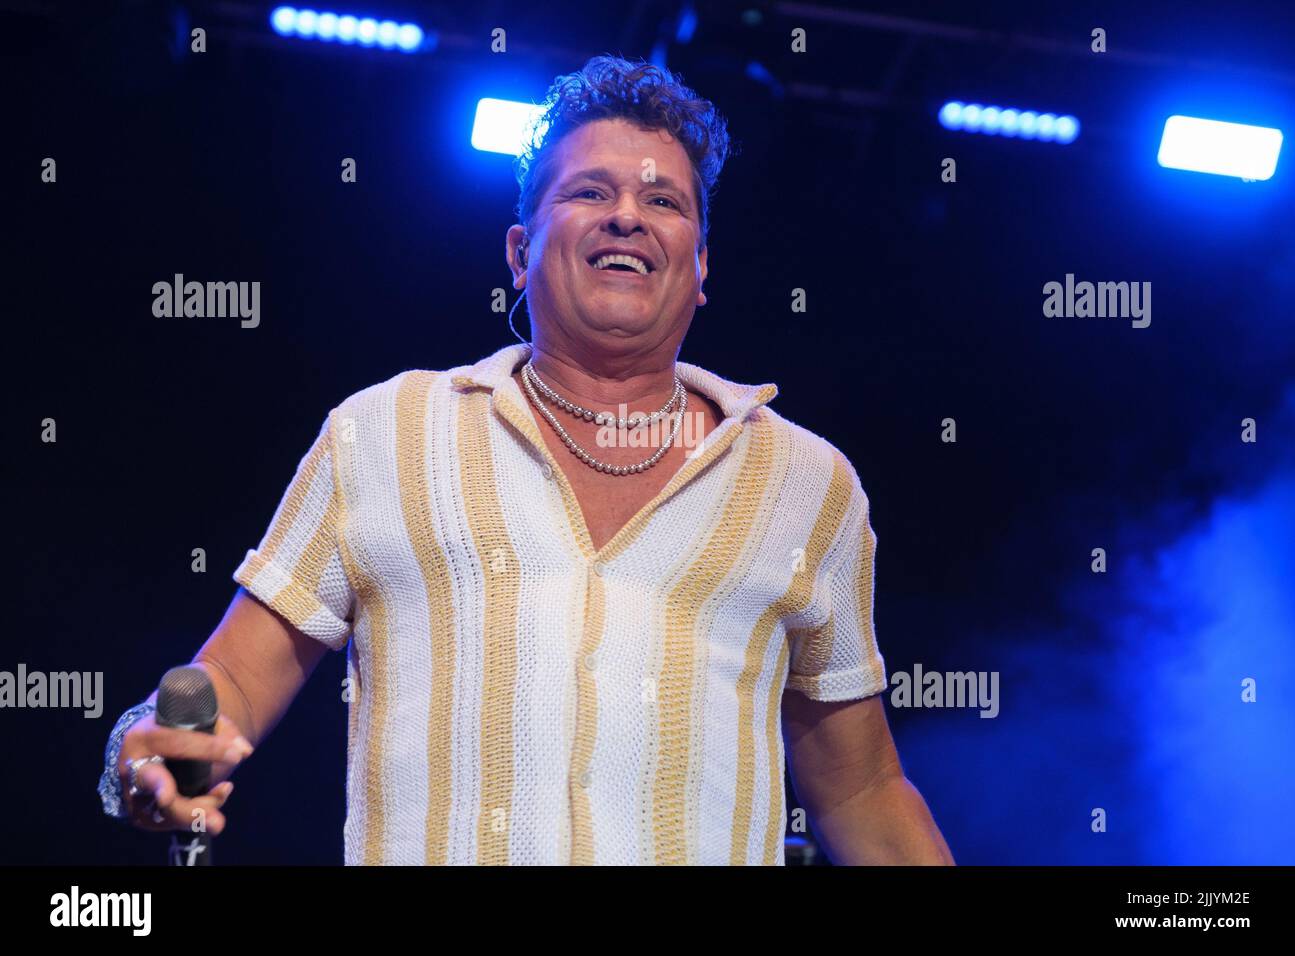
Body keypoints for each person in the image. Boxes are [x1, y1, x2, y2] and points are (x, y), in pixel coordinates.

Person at [99, 54, 953, 865]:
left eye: (664, 203)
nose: (627, 214)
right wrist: (153, 744)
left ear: (699, 267)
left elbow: (862, 794)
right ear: (519, 252)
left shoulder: (807, 482)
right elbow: (234, 683)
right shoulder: (384, 432)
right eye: (589, 192)